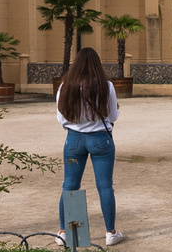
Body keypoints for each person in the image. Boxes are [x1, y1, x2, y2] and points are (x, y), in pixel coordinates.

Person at [55, 46, 124, 246]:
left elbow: (61, 117)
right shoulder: (106, 85)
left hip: (74, 138)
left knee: (70, 185)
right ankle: (110, 232)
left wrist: (77, 123)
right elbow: (112, 116)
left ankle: (65, 232)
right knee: (105, 187)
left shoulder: (64, 86)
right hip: (100, 138)